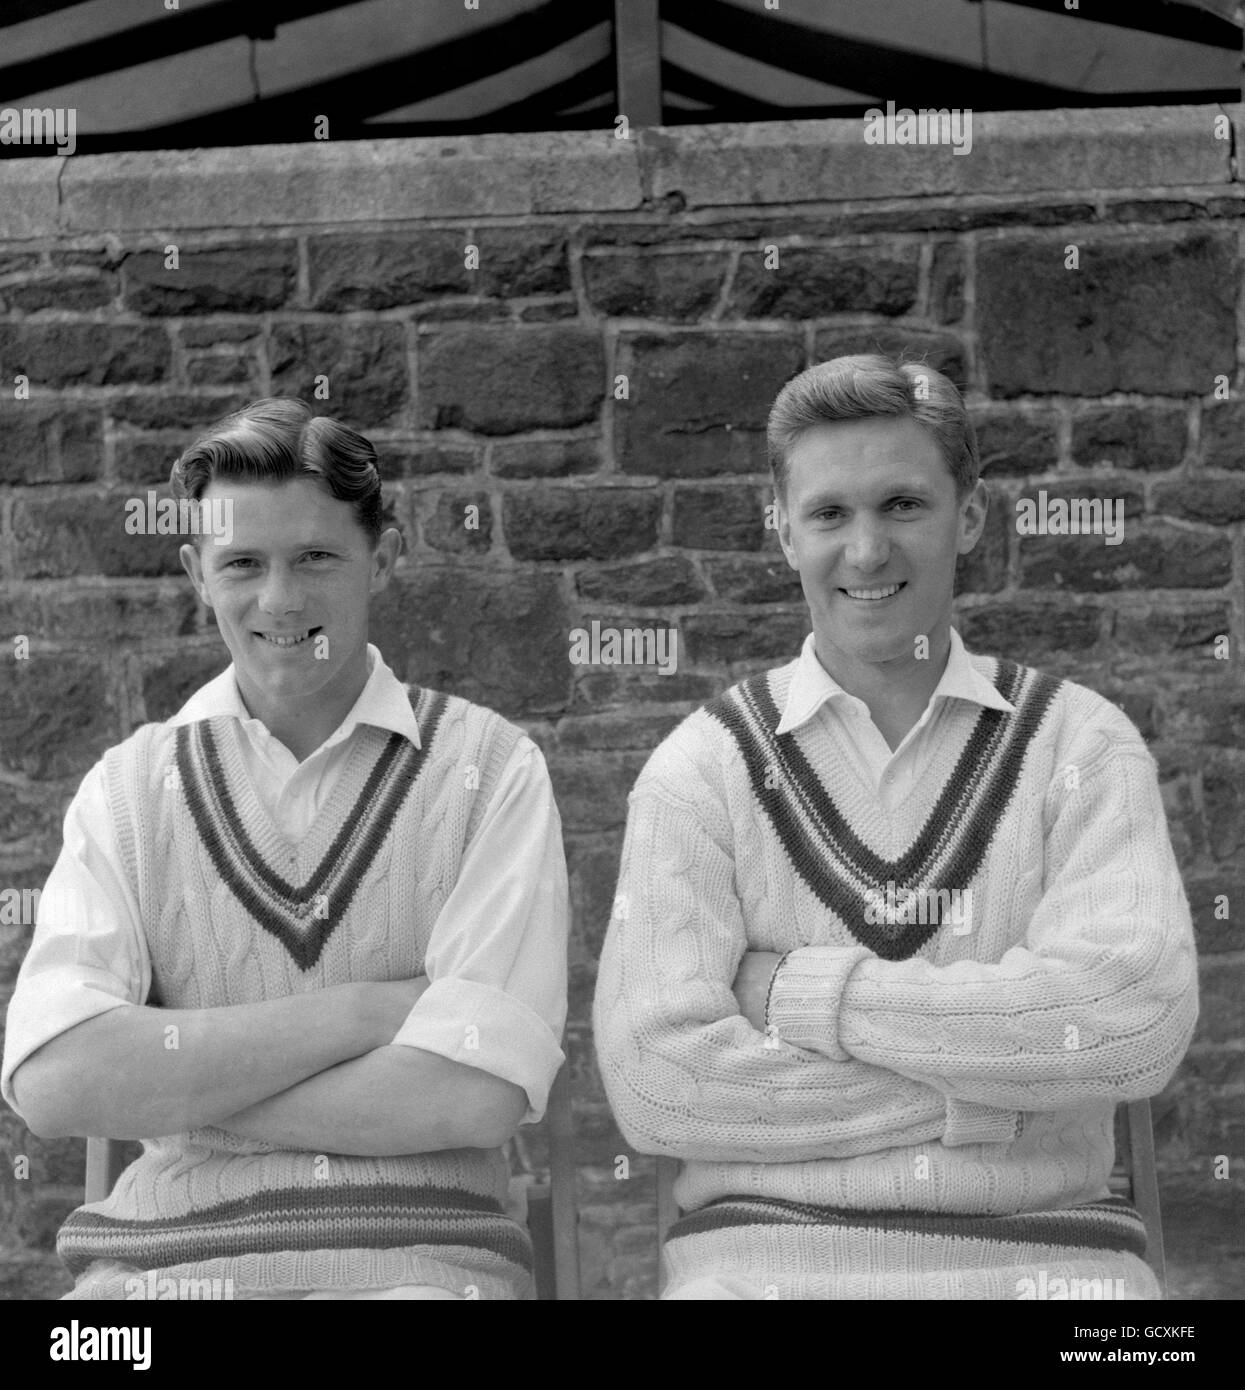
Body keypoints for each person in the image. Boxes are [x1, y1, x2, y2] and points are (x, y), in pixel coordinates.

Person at [593, 354, 1198, 1300]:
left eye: (902, 505)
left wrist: (804, 994)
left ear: (971, 516)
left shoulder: (1081, 743)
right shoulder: (699, 772)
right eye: (830, 513)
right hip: (762, 1273)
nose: (866, 551)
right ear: (780, 532)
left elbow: (1133, 1026)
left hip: (1062, 1271)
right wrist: (991, 1093)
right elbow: (659, 1087)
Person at [2, 398, 568, 1300]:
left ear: (382, 557)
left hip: (416, 1268)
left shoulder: (489, 767)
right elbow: (56, 1079)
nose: (281, 600)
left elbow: (475, 1094)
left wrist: (174, 1085)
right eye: (243, 564)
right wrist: (362, 1018)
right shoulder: (128, 787)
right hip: (151, 1271)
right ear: (196, 573)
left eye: (315, 557)